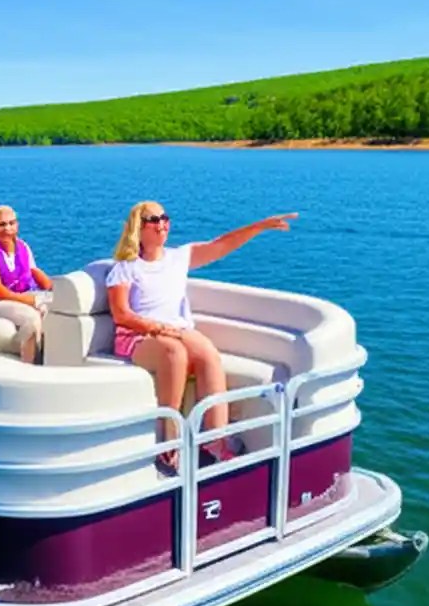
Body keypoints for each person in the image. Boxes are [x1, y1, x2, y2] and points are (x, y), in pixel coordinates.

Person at [105, 201, 297, 471]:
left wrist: (259, 226)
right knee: (175, 354)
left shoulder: (178, 257)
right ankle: (168, 441)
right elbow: (121, 315)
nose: (162, 224)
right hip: (137, 336)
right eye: (153, 220)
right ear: (139, 227)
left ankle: (216, 440)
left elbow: (220, 245)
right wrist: (156, 328)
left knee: (207, 352)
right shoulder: (125, 268)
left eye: (165, 218)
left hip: (175, 330)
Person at [0, 205, 53, 364]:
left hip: (28, 294)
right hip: (0, 303)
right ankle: (29, 364)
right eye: (2, 224)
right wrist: (32, 301)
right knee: (32, 319)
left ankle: (51, 361)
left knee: (55, 312)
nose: (7, 228)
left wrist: (56, 289)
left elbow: (35, 272)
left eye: (11, 223)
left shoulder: (23, 246)